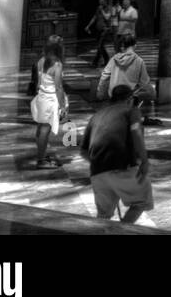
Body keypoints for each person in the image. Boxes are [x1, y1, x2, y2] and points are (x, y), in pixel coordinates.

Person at [80, 84, 153, 223]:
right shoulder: (131, 110)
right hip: (123, 167)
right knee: (141, 202)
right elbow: (136, 132)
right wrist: (144, 161)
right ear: (130, 99)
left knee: (103, 215)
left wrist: (103, 163)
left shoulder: (96, 116)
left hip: (97, 172)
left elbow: (83, 152)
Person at [29, 42, 68, 169]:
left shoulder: (41, 60)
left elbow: (38, 81)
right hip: (50, 99)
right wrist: (62, 106)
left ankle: (42, 155)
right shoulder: (57, 65)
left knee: (41, 127)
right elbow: (58, 87)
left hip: (41, 96)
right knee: (45, 129)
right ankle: (41, 160)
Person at [96, 32, 154, 103]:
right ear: (135, 46)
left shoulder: (114, 59)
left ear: (122, 47)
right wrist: (152, 94)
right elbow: (145, 82)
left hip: (113, 95)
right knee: (148, 92)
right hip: (128, 97)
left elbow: (104, 76)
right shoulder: (139, 61)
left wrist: (100, 93)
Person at [84, 0, 115, 67]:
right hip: (98, 30)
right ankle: (107, 58)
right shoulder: (98, 8)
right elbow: (94, 17)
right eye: (99, 3)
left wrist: (102, 11)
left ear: (105, 2)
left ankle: (95, 62)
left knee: (99, 46)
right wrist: (88, 26)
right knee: (101, 46)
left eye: (102, 2)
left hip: (105, 30)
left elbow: (107, 17)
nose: (100, 4)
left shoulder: (109, 8)